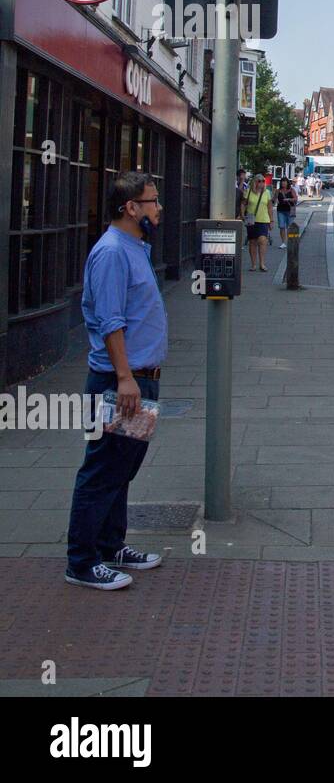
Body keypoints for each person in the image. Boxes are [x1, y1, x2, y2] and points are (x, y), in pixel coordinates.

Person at [65, 172, 166, 590]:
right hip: (116, 382)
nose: (158, 209)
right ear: (130, 208)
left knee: (121, 468)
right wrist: (125, 378)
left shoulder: (135, 247)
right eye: (152, 201)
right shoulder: (111, 253)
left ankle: (111, 545)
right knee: (101, 470)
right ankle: (82, 563)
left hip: (138, 379)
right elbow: (110, 322)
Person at [245, 173, 273, 272]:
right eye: (259, 181)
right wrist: (242, 215)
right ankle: (253, 264)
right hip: (251, 219)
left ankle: (262, 263)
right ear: (255, 182)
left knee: (262, 240)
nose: (261, 183)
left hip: (263, 219)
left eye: (263, 181)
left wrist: (271, 220)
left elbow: (270, 207)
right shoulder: (248, 192)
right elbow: (243, 204)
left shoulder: (267, 193)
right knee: (252, 242)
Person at [274, 176, 297, 248]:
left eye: (285, 182)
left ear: (287, 183)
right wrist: (274, 201)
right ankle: (283, 242)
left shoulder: (291, 190)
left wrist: (289, 199)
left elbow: (295, 199)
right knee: (281, 227)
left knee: (290, 227)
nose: (283, 183)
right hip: (280, 210)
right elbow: (274, 199)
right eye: (282, 182)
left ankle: (291, 242)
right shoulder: (278, 191)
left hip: (290, 210)